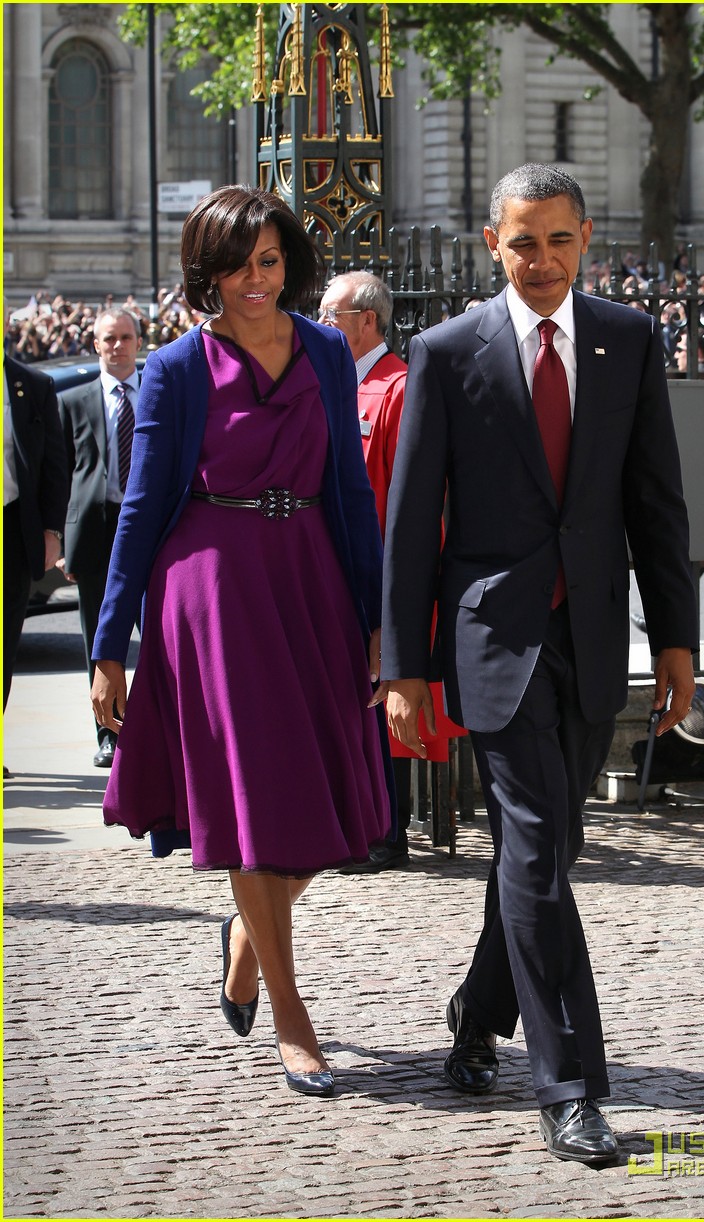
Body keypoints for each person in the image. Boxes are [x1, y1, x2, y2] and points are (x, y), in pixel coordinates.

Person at [373, 164, 698, 1163]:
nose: (541, 259)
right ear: (490, 242)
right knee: (535, 852)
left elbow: (654, 501)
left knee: (543, 852)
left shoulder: (627, 340)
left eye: (558, 240)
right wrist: (403, 664)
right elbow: (408, 523)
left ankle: (475, 1014)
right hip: (490, 641)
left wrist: (676, 637)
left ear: (584, 237)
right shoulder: (444, 352)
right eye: (522, 241)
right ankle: (569, 1088)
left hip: (593, 638)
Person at [90, 185, 393, 1099]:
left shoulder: (328, 353)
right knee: (255, 807)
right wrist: (111, 645)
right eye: (235, 264)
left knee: (329, 797)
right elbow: (141, 511)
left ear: (287, 264)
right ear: (207, 270)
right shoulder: (177, 368)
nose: (253, 281)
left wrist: (378, 618)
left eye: (268, 261)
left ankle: (244, 942)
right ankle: (293, 1017)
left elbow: (350, 489)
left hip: (309, 579)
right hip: (210, 589)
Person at [318, 270, 466, 872]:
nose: (321, 324)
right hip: (334, 571)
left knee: (384, 700)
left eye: (332, 315)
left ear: (367, 321)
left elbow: (415, 502)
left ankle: (387, 829)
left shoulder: (398, 387)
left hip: (380, 573)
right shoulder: (336, 385)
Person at [57, 309, 143, 767]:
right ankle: (108, 736)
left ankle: (153, 728)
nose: (118, 346)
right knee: (99, 637)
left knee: (156, 637)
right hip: (95, 531)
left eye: (126, 337)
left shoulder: (155, 394)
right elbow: (62, 473)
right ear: (96, 344)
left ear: (138, 341)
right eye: (109, 338)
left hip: (147, 529)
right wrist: (61, 539)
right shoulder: (74, 401)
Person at [3, 338, 69, 722]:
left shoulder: (32, 386)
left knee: (5, 639)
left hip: (13, 529)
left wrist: (51, 530)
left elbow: (54, 466)